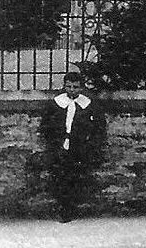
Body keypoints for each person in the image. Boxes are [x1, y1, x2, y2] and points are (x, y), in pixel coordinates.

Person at [38, 72, 106, 222]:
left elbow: (99, 127)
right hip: (60, 146)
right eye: (68, 86)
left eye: (75, 87)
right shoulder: (56, 103)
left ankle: (72, 208)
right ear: (64, 86)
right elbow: (46, 125)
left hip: (79, 146)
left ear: (81, 88)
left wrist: (90, 144)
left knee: (75, 177)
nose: (72, 90)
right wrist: (55, 141)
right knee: (59, 176)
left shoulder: (88, 104)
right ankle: (62, 208)